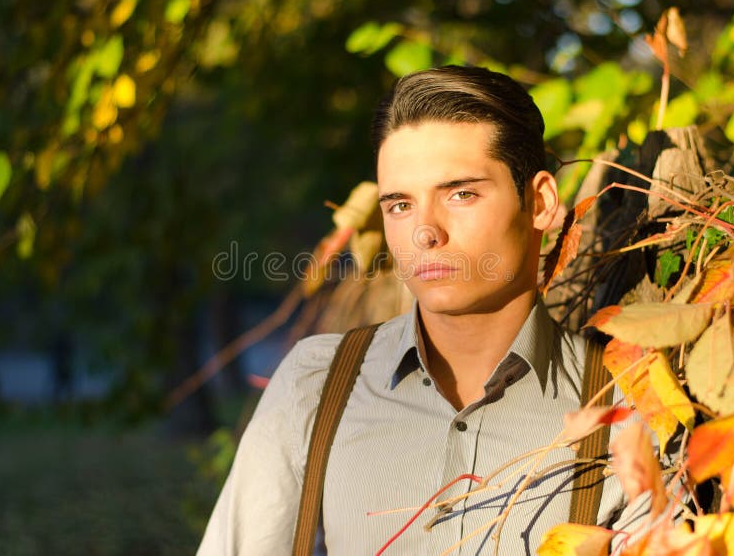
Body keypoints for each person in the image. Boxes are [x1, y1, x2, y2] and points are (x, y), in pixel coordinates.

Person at [197, 65, 633, 555]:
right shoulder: (317, 384)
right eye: (400, 205)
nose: (425, 231)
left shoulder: (625, 414)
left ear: (540, 202)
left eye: (461, 193)